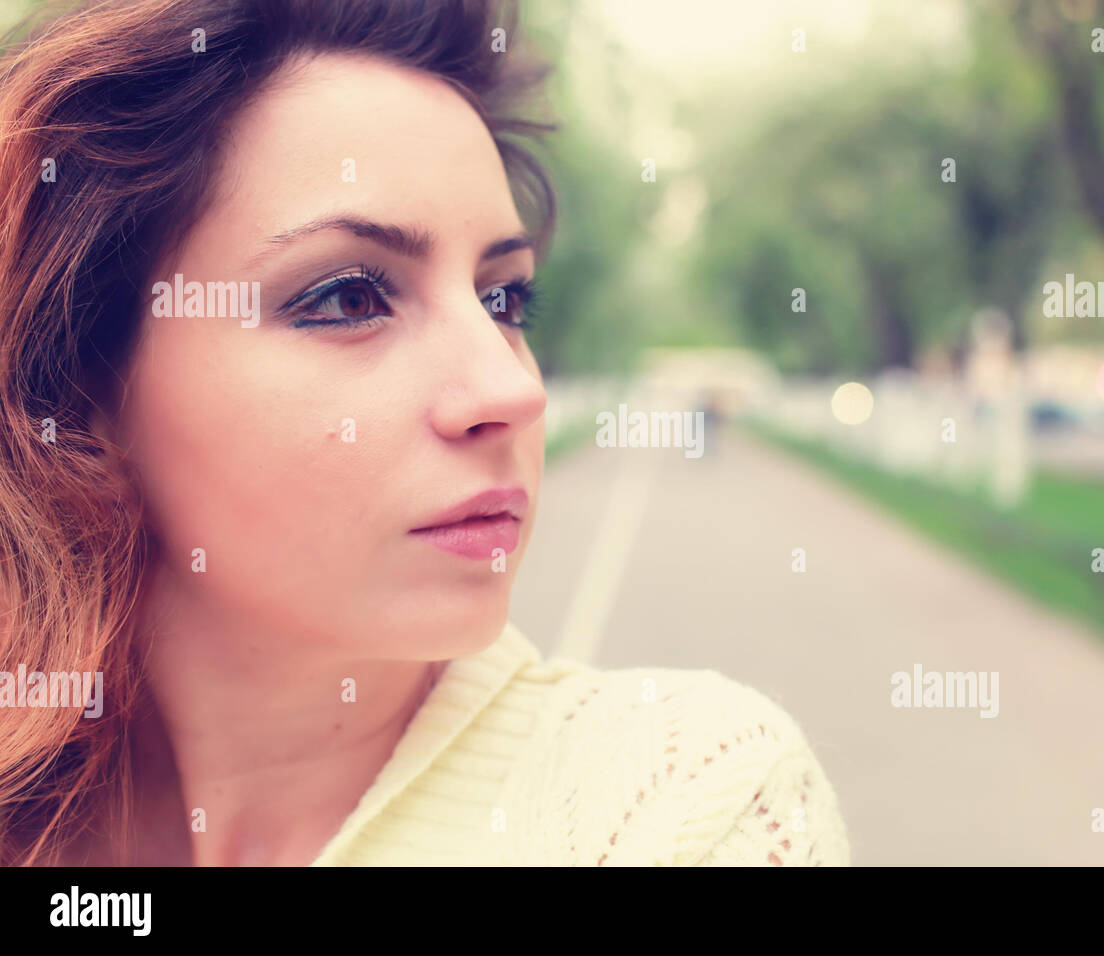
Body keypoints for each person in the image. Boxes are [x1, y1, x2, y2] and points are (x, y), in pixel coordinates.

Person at [0, 0, 850, 866]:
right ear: (79, 390)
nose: (512, 388)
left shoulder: (682, 807)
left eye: (504, 299)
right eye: (349, 298)